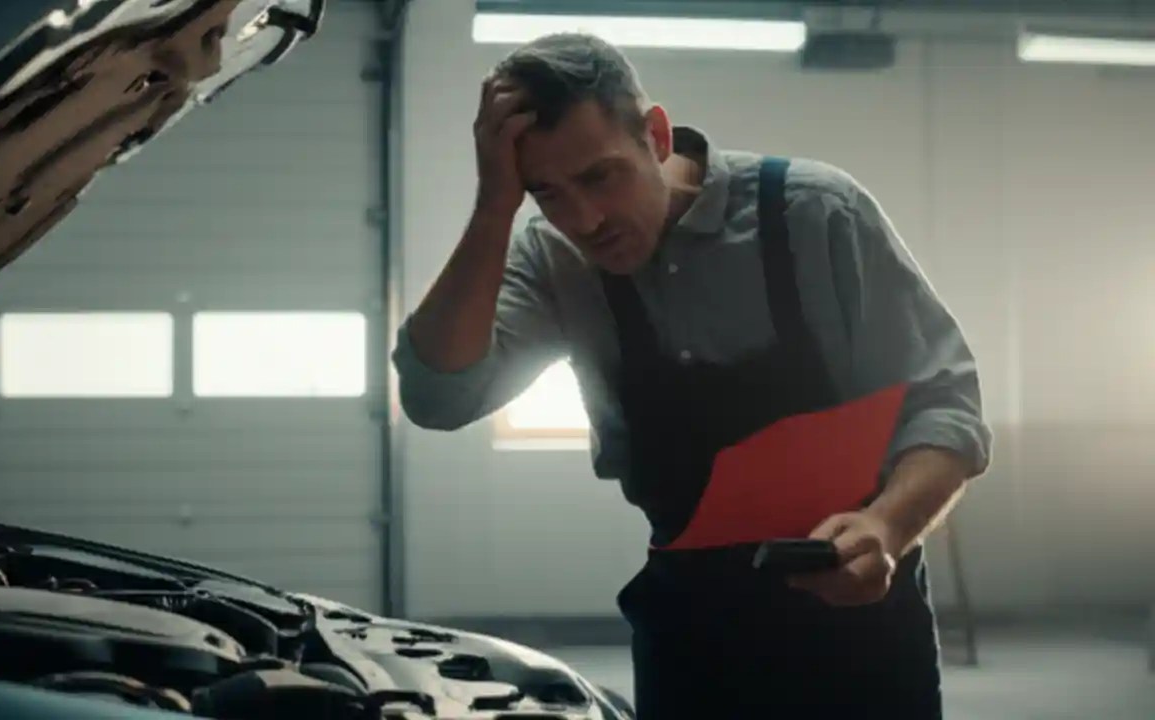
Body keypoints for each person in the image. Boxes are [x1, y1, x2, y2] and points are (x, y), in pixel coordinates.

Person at [393, 32, 992, 717]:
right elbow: (439, 397)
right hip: (692, 628)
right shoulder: (553, 258)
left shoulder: (815, 214)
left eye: (599, 177)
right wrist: (494, 207)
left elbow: (947, 403)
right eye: (546, 193)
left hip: (859, 614)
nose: (584, 220)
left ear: (655, 135)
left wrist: (886, 527)